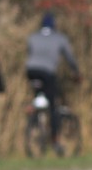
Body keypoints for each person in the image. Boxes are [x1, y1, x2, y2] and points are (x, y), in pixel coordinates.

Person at [25, 12, 81, 154]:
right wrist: (76, 72)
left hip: (31, 72)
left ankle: (33, 110)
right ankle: (55, 140)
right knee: (53, 106)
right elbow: (69, 58)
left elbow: (30, 53)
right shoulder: (60, 38)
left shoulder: (33, 37)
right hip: (48, 73)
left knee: (38, 93)